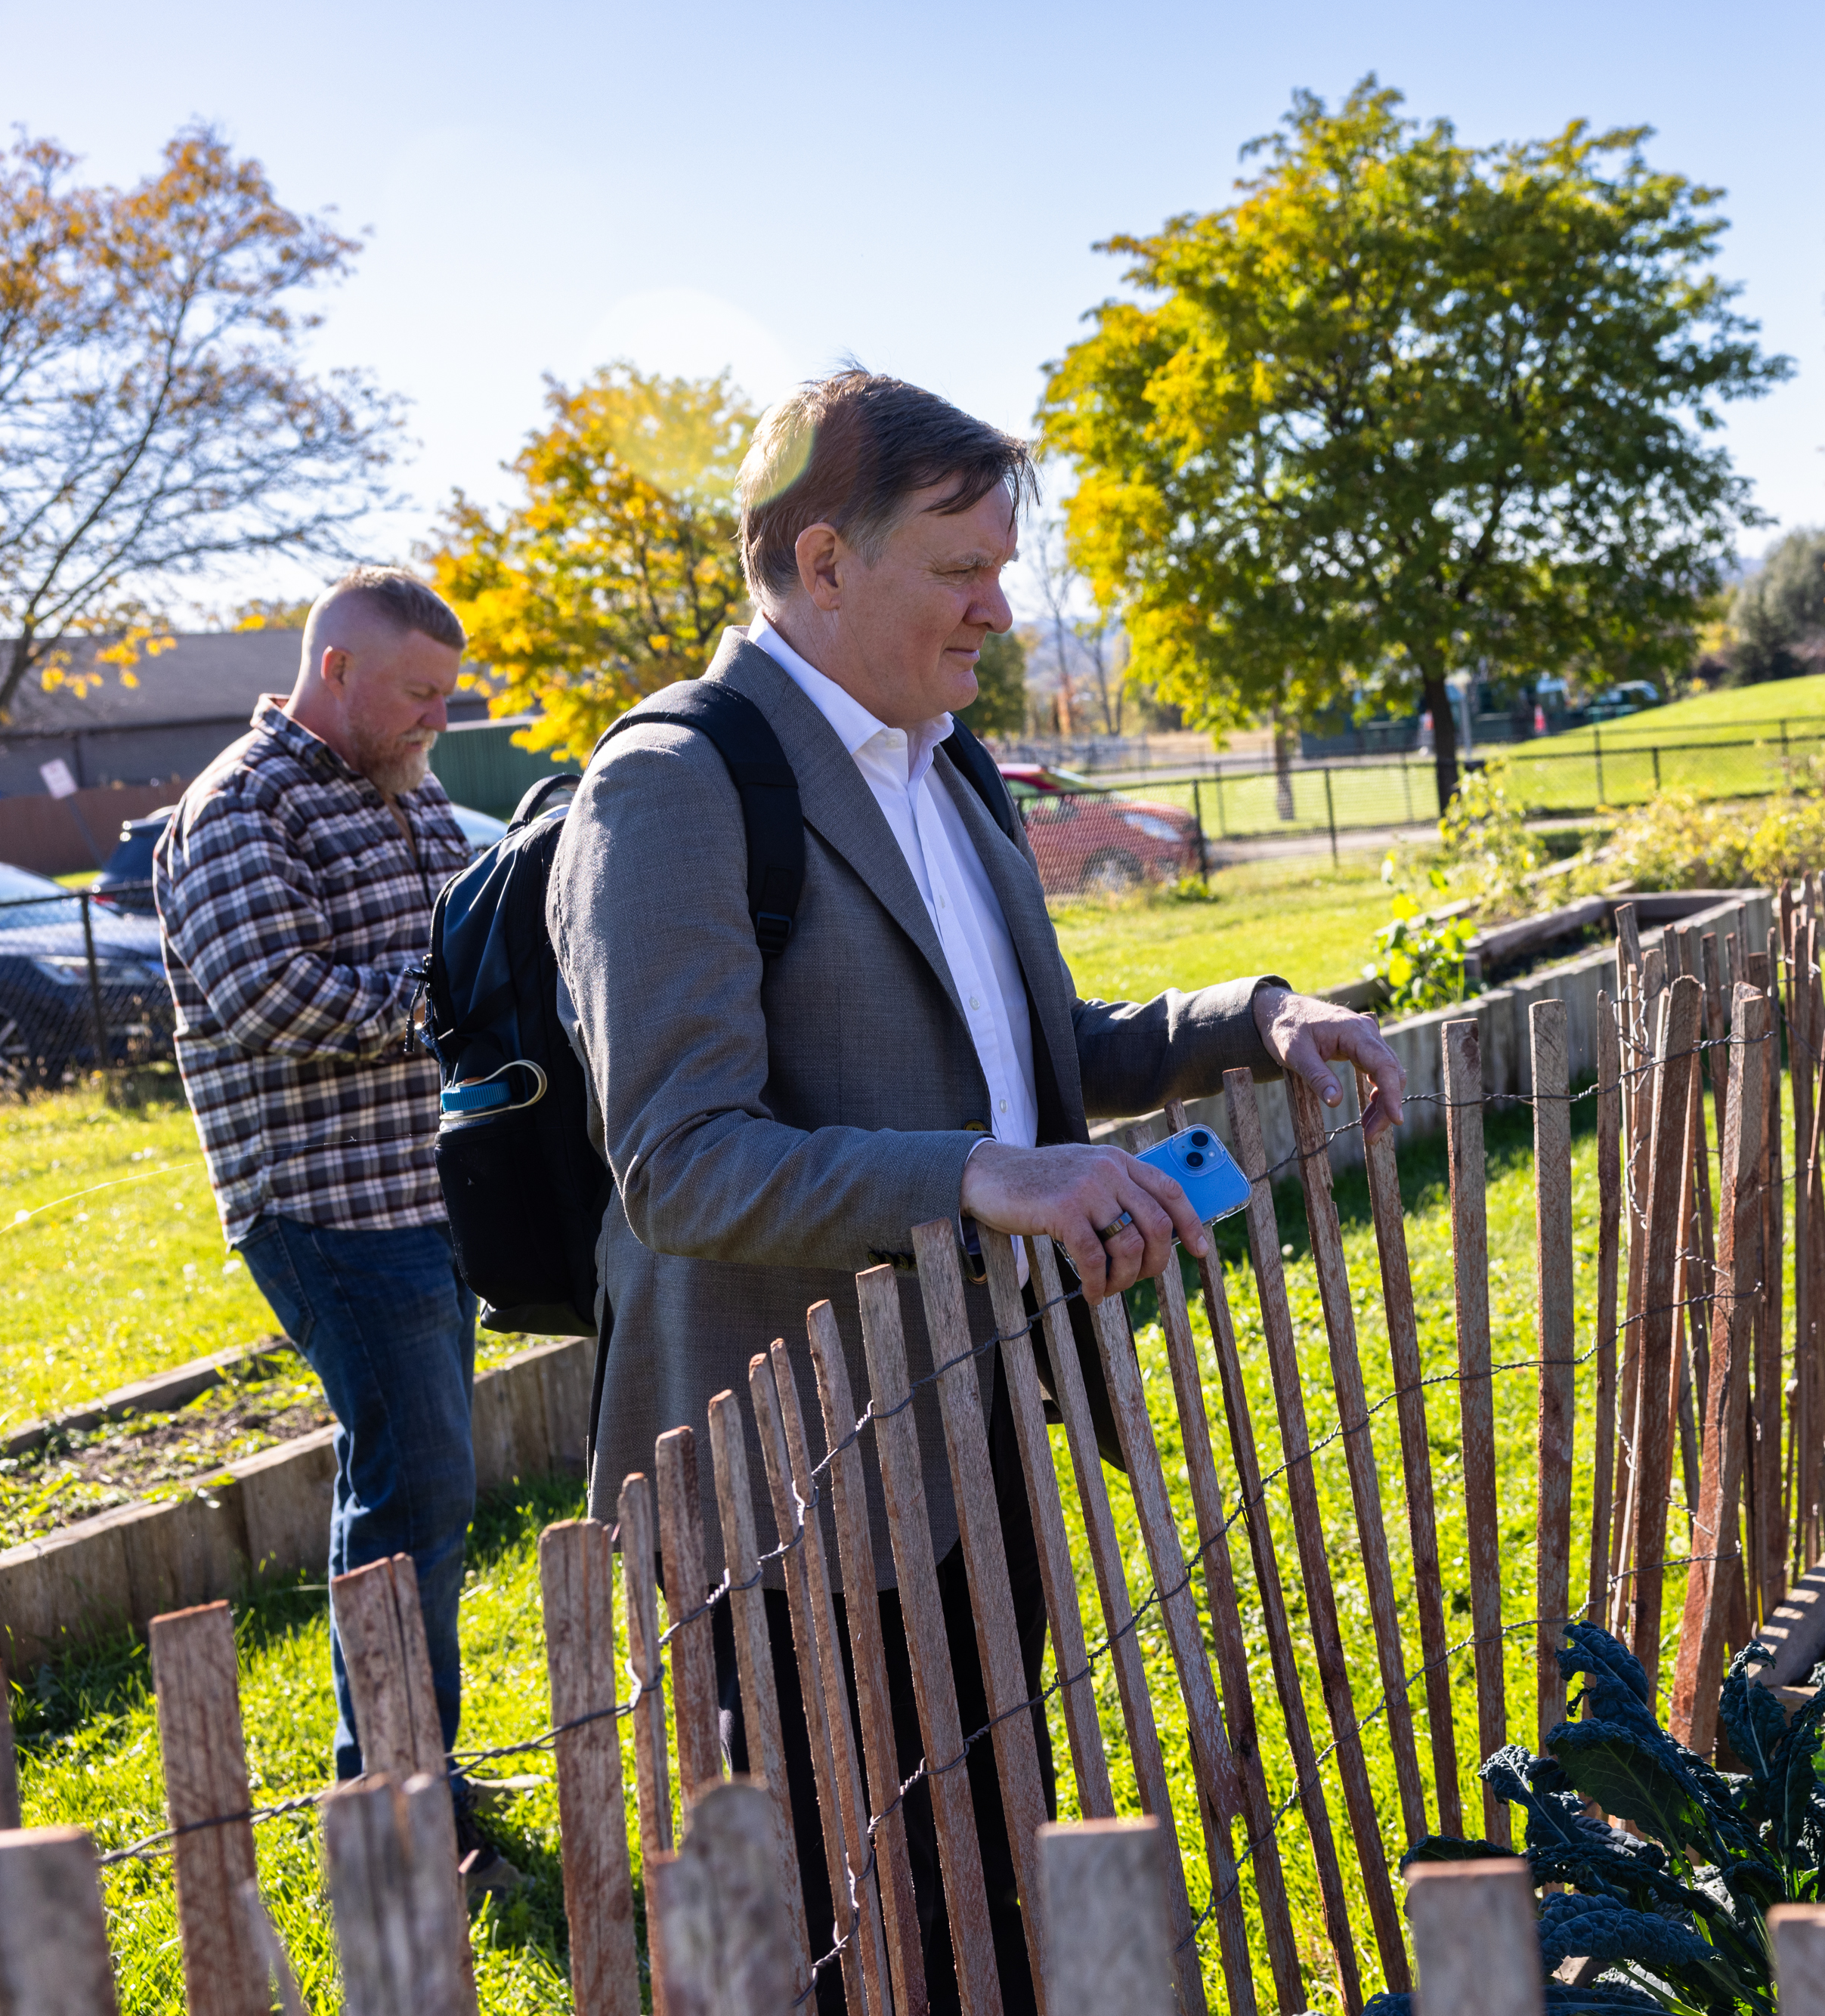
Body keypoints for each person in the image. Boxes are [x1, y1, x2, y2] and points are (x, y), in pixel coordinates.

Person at [550, 368, 1404, 2014]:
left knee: (980, 1865)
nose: (999, 612)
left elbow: (1036, 1045)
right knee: (849, 1911)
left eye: (1002, 571)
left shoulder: (941, 760)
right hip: (787, 1475)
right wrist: (981, 1176)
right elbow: (677, 1158)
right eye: (961, 571)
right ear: (820, 564)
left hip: (967, 1408)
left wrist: (1255, 1014)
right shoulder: (672, 784)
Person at [152, 568, 505, 1877]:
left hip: (422, 1196)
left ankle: (412, 1786)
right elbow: (271, 997)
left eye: (448, 698)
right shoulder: (240, 807)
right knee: (418, 1492)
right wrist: (447, 997)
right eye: (419, 694)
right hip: (325, 1208)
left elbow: (474, 931)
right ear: (337, 670)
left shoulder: (402, 794)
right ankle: (396, 1822)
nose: (436, 720)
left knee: (419, 1484)